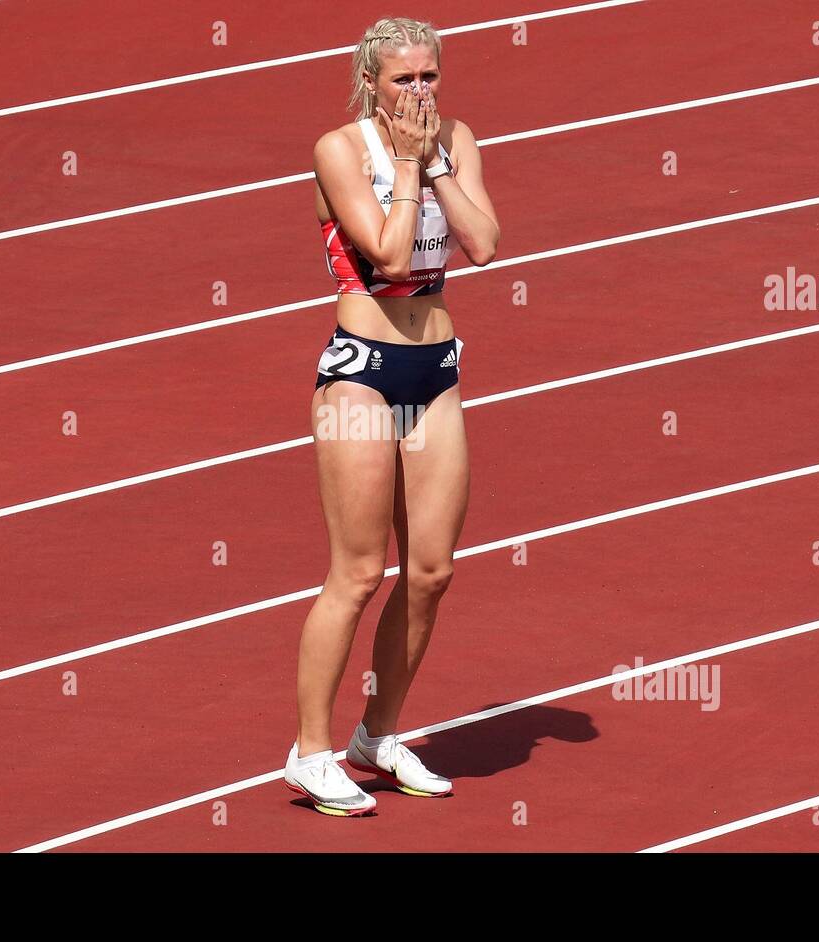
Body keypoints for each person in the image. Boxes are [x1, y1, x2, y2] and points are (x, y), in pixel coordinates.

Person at [283, 16, 500, 816]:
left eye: (430, 77)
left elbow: (483, 244)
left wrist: (437, 160)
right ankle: (311, 753)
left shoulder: (457, 140)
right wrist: (407, 165)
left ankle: (378, 733)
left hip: (435, 370)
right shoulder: (339, 150)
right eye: (404, 79)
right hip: (363, 376)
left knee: (433, 571)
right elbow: (391, 255)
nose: (420, 92)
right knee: (358, 572)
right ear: (370, 81)